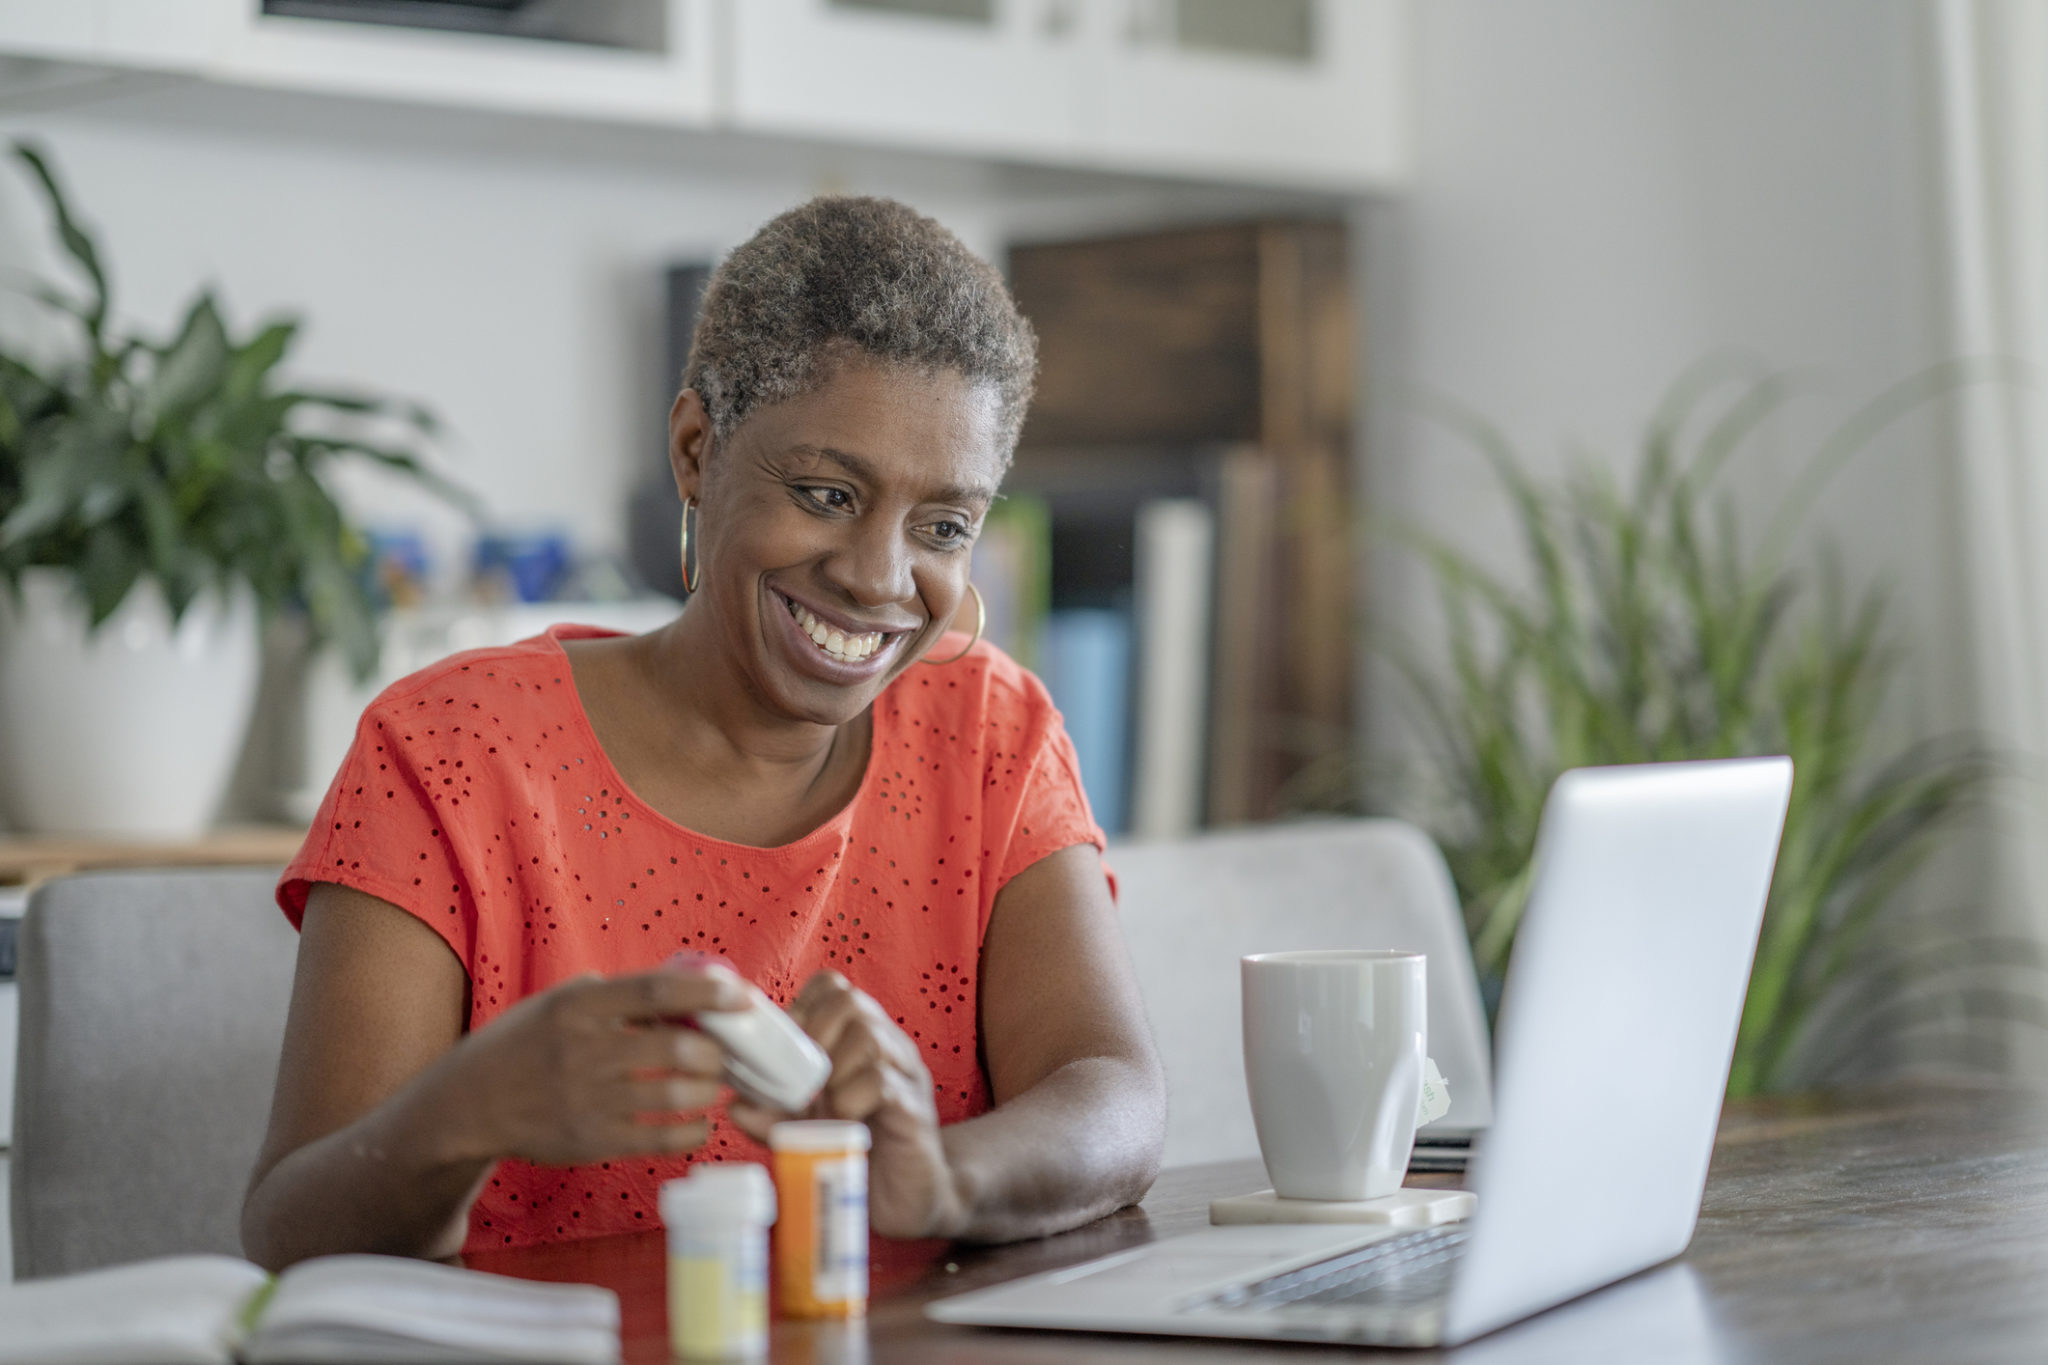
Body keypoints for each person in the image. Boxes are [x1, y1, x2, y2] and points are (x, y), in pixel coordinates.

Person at [241, 197, 1166, 1269]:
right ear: (695, 449)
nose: (877, 577)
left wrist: (944, 1173)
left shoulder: (989, 734)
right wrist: (468, 1111)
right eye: (826, 493)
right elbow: (287, 1229)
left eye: (941, 527)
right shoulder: (447, 752)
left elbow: (1113, 1096)